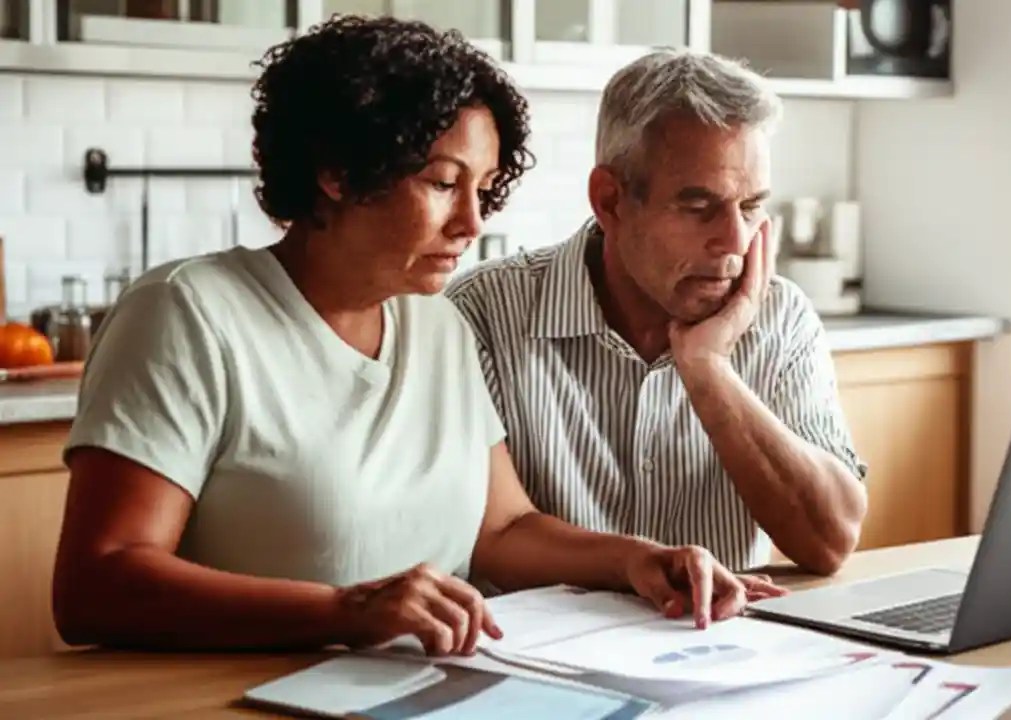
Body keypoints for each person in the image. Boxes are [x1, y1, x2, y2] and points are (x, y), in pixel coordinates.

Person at [51, 17, 783, 658]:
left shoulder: (434, 323)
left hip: (422, 687)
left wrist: (638, 560)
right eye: (442, 183)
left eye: (483, 188)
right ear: (338, 171)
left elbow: (504, 528)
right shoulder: (187, 314)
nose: (472, 223)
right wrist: (342, 613)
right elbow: (97, 582)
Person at [446, 49, 869, 577]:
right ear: (610, 201)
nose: (734, 241)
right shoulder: (482, 317)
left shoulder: (781, 319)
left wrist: (709, 371)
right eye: (698, 207)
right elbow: (485, 539)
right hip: (539, 655)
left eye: (752, 206)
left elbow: (829, 542)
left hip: (725, 650)